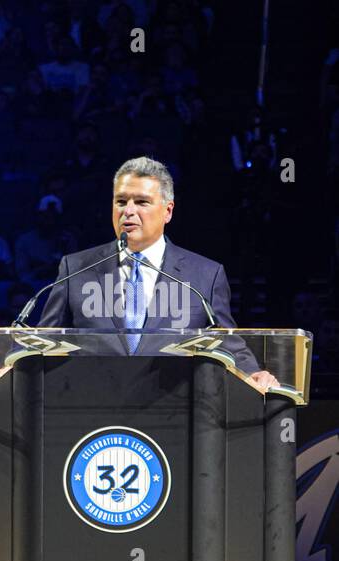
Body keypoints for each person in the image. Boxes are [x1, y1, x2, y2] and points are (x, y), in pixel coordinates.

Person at [38, 156, 277, 389]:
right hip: (90, 409)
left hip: (171, 412)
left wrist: (254, 374)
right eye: (121, 202)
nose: (128, 211)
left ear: (168, 211)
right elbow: (42, 341)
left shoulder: (205, 275)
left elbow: (227, 342)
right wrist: (10, 369)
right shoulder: (76, 269)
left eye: (142, 202)